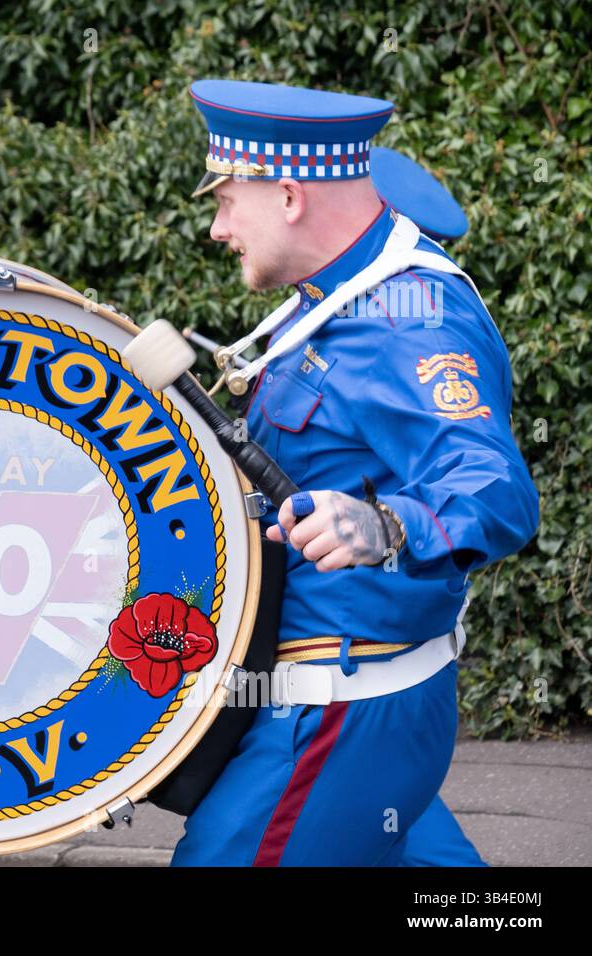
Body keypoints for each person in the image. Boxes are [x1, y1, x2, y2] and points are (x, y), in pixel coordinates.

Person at [168, 80, 539, 865]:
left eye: (229, 200)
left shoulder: (408, 318)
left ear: (291, 194)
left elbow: (496, 488)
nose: (217, 226)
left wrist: (386, 525)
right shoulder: (335, 297)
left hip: (339, 707)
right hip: (347, 701)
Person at [369, 145, 485, 867]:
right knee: (408, 836)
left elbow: (481, 484)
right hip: (358, 658)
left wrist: (385, 526)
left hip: (371, 653)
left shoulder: (410, 317)